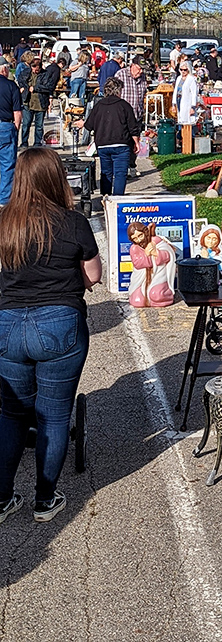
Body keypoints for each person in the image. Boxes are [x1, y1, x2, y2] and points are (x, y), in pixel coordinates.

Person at [0, 148, 102, 524]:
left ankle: (3, 498)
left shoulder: (5, 222)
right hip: (59, 322)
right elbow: (92, 275)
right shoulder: (73, 222)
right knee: (54, 415)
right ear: (56, 178)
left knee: (11, 412)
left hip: (7, 325)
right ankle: (45, 499)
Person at [78, 77, 141, 195]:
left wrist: (83, 124)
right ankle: (117, 199)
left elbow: (89, 125)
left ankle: (105, 197)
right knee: (120, 173)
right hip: (121, 143)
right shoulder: (124, 105)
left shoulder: (99, 105)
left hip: (102, 144)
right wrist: (136, 142)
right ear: (118, 91)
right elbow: (133, 127)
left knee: (106, 172)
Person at [126, 221, 176, 308]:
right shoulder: (134, 248)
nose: (139, 240)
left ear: (145, 232)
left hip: (158, 276)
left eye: (140, 236)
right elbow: (138, 264)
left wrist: (156, 252)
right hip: (141, 279)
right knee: (137, 301)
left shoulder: (156, 241)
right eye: (135, 238)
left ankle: (166, 295)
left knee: (156, 295)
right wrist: (147, 254)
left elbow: (168, 255)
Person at [115, 55, 147, 176]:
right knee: (123, 143)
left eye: (142, 69)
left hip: (136, 116)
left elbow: (143, 95)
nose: (141, 71)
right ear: (132, 65)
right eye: (139, 68)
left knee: (134, 143)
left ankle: (132, 166)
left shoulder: (142, 77)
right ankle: (123, 168)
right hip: (122, 116)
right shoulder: (120, 75)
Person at [0, 55, 22, 205]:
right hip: (5, 126)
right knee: (7, 165)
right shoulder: (11, 86)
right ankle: (4, 201)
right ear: (4, 69)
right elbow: (17, 113)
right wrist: (15, 129)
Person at [19, 57, 47, 149]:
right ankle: (24, 142)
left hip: (40, 103)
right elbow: (20, 79)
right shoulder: (26, 73)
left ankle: (37, 143)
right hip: (28, 102)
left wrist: (35, 88)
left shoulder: (45, 74)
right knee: (26, 124)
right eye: (33, 68)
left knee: (39, 126)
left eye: (37, 68)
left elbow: (49, 87)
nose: (34, 70)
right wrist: (23, 87)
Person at [172, 61, 199, 125]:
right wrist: (173, 104)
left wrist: (193, 107)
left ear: (188, 70)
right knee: (180, 119)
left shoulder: (191, 79)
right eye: (181, 70)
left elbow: (194, 93)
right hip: (179, 100)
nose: (183, 71)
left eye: (185, 70)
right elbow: (175, 90)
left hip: (187, 103)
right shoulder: (179, 78)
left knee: (188, 121)